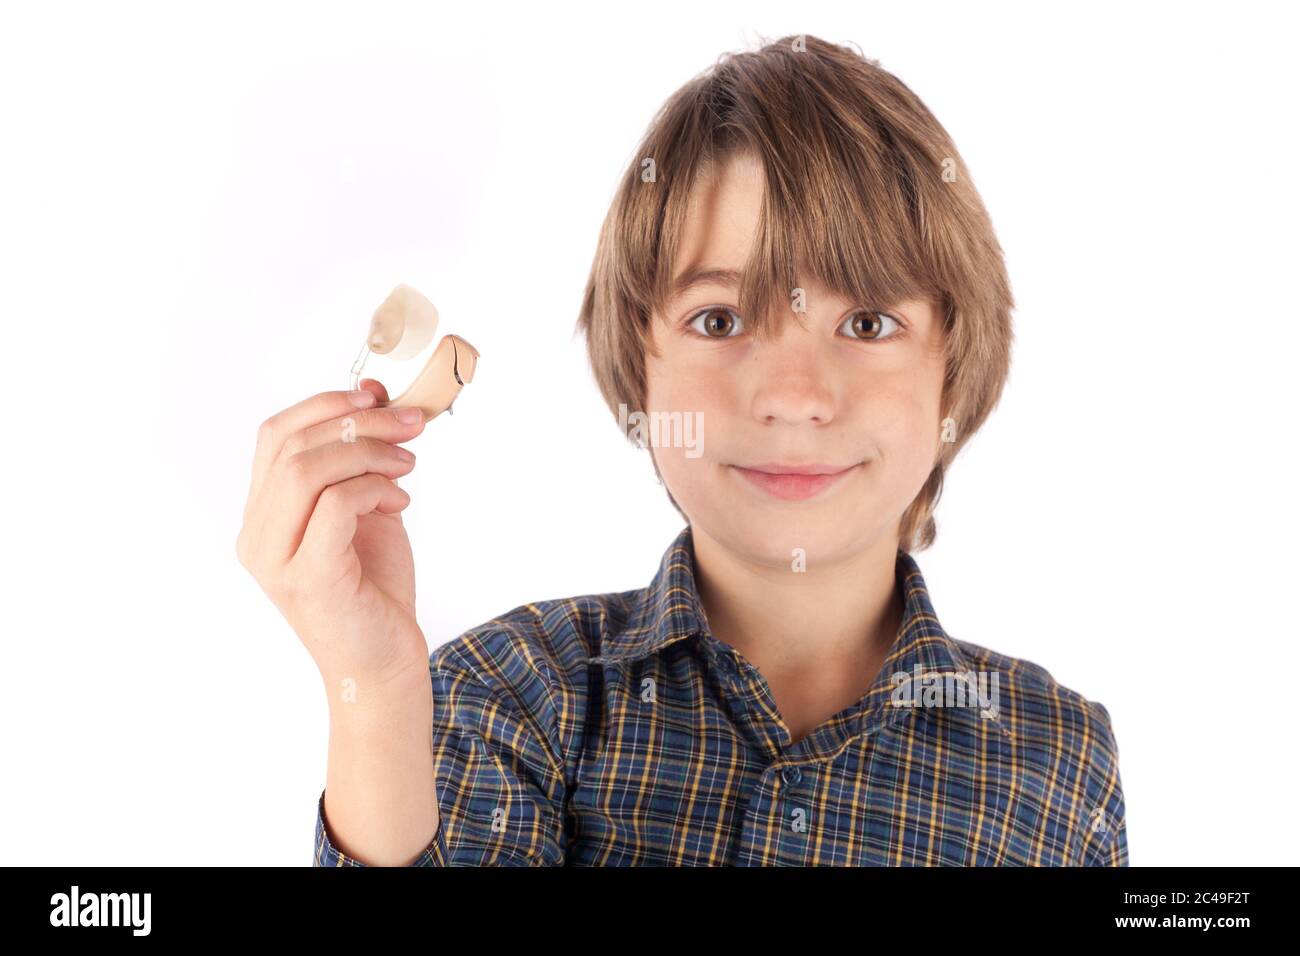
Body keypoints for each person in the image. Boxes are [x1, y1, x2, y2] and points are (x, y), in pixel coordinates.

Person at [237, 34, 1127, 866]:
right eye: (720, 319)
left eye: (867, 321)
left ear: (953, 364)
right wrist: (375, 691)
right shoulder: (516, 696)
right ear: (641, 361)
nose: (794, 397)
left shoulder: (1058, 760)